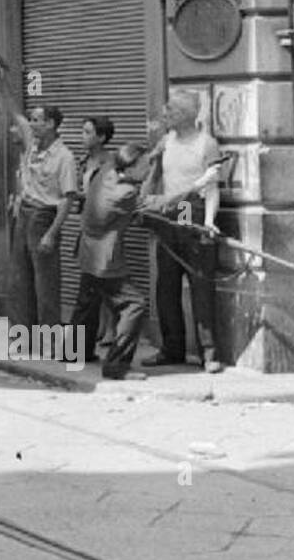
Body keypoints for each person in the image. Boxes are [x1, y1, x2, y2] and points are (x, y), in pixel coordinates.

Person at [141, 88, 225, 373]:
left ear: (187, 115)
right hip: (169, 217)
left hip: (196, 215)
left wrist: (211, 221)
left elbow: (212, 187)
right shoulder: (166, 141)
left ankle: (209, 353)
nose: (165, 115)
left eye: (171, 111)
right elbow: (156, 177)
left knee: (201, 286)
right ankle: (171, 348)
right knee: (166, 287)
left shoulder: (207, 144)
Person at [71, 124, 148, 379]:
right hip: (106, 259)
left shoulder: (106, 172)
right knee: (134, 305)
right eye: (145, 165)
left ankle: (76, 353)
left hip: (87, 252)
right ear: (132, 167)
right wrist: (198, 184)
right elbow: (157, 204)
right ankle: (116, 366)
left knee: (87, 300)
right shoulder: (125, 193)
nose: (148, 170)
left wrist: (155, 152)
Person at [10, 105, 79, 343]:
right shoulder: (33, 149)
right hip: (24, 213)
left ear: (51, 124)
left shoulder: (64, 157)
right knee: (21, 278)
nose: (32, 124)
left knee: (45, 282)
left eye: (38, 120)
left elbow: (67, 199)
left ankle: (49, 339)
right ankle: (23, 336)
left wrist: (52, 233)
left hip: (44, 216)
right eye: (31, 119)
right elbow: (18, 122)